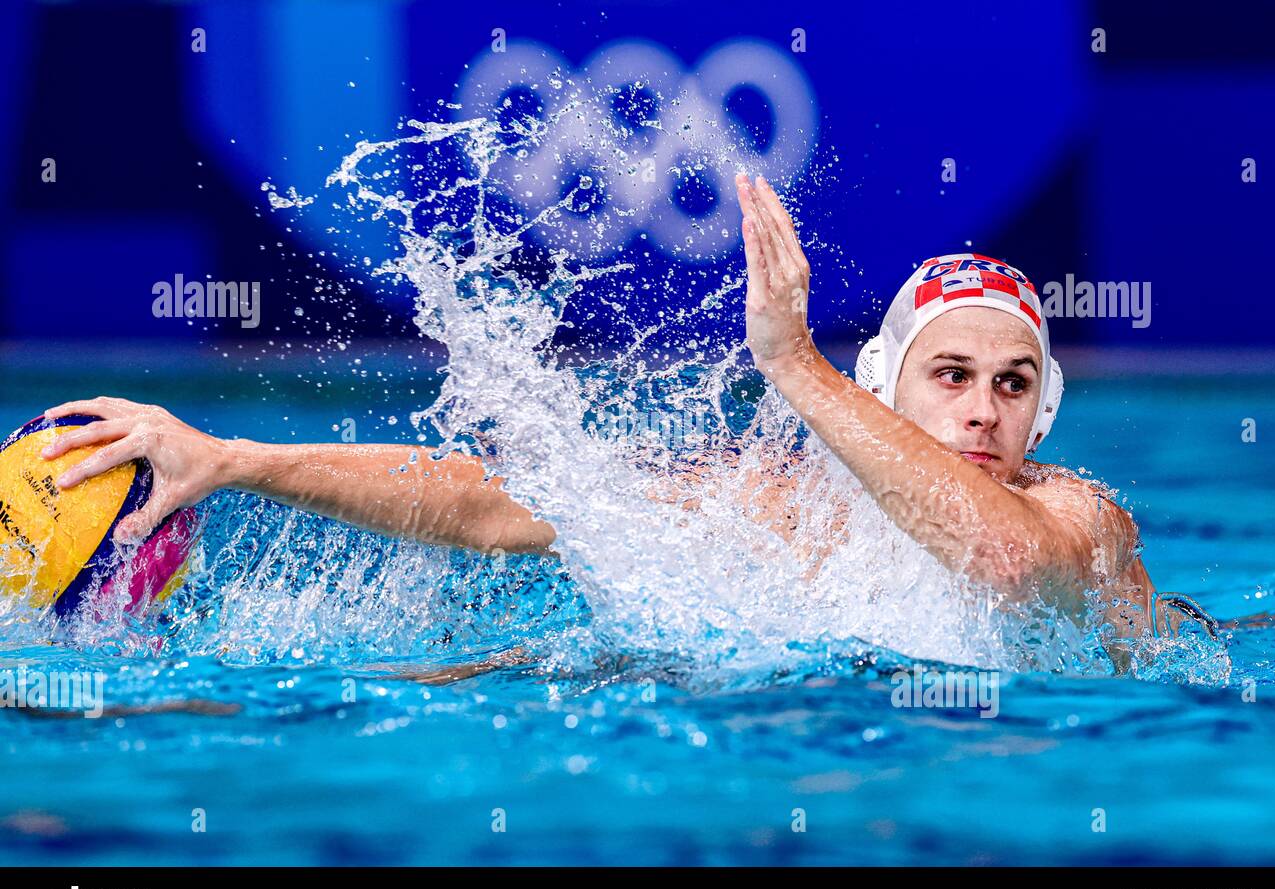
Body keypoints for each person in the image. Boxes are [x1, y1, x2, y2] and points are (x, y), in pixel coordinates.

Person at [40, 174, 1154, 670]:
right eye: (949, 374)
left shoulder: (1082, 517)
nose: (980, 408)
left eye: (1013, 384)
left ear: (1042, 409)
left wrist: (793, 366)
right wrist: (232, 457)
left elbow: (1004, 562)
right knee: (512, 671)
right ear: (892, 387)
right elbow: (495, 502)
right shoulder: (782, 502)